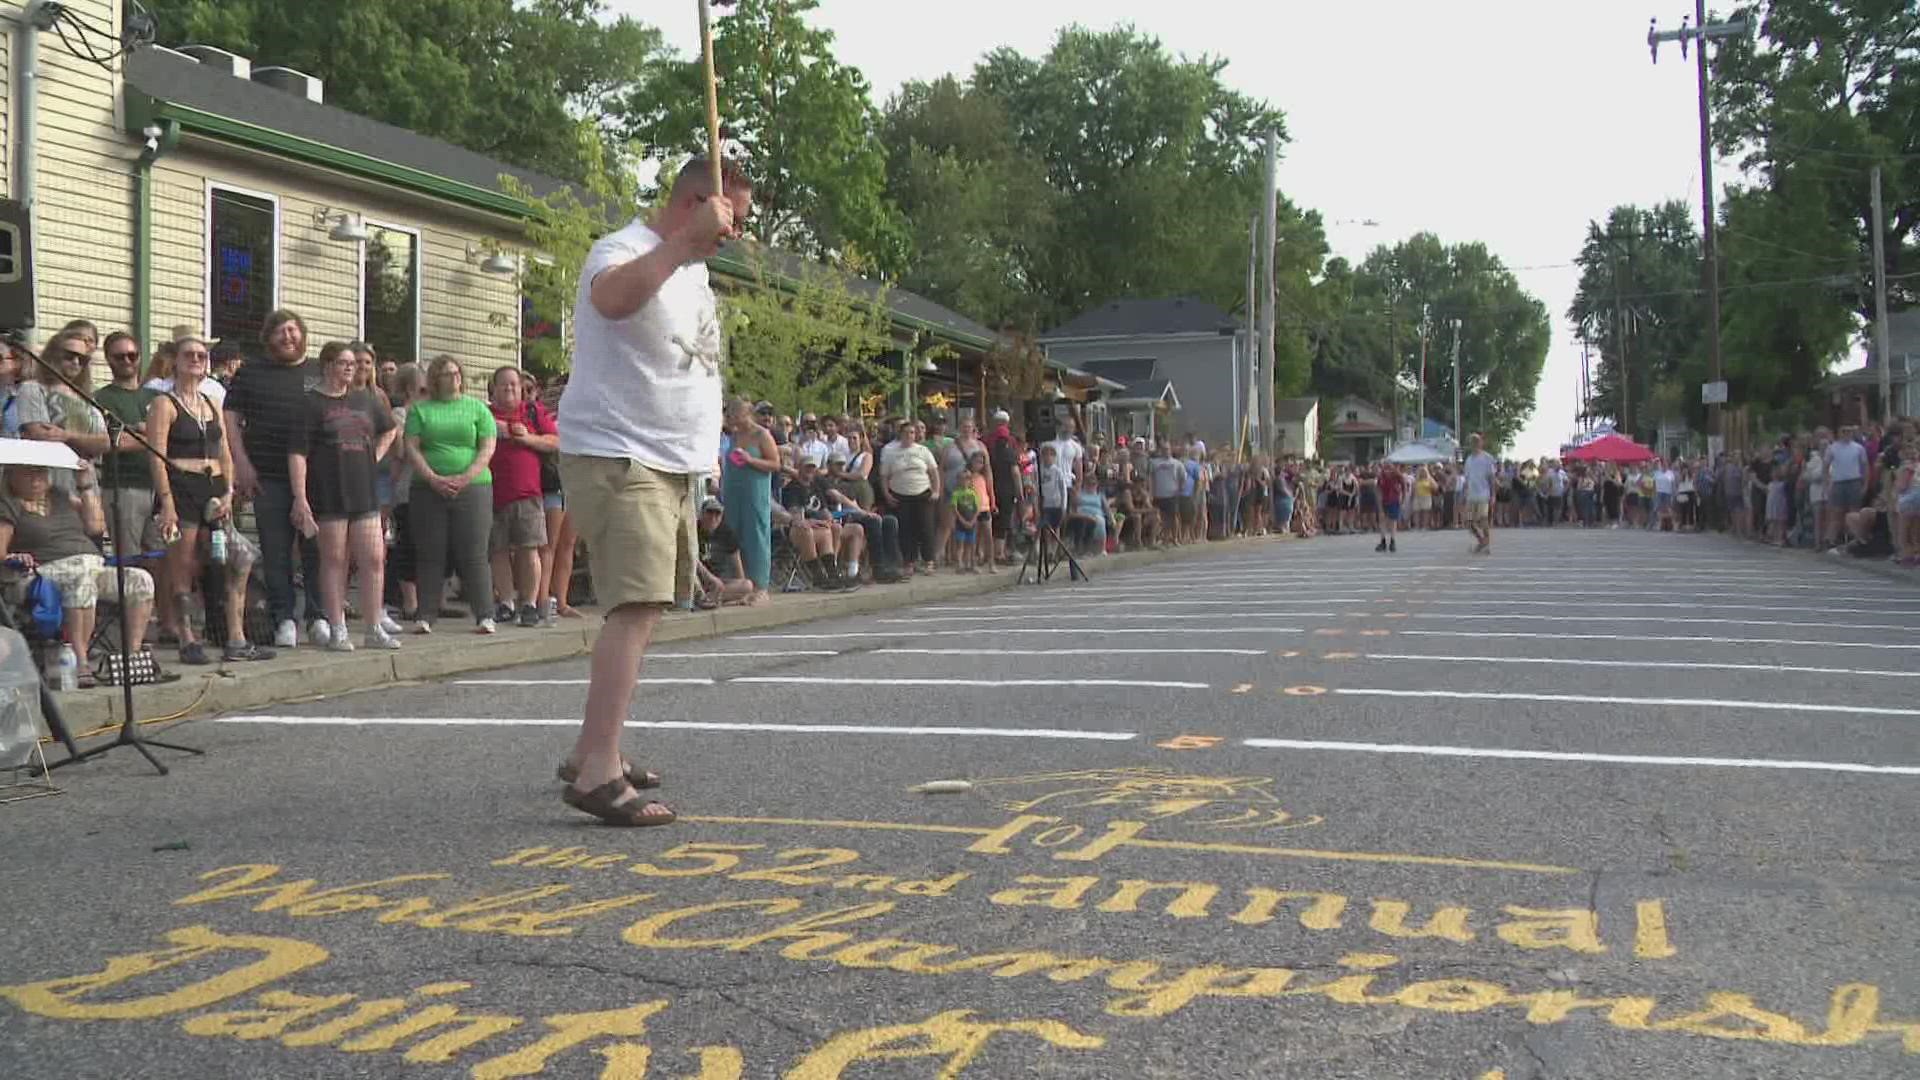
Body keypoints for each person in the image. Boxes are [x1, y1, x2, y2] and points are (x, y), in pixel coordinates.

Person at [555, 155, 748, 827]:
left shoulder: (693, 270)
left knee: (650, 607)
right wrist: (681, 243)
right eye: (731, 218)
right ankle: (598, 776)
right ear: (696, 201)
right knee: (633, 607)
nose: (734, 234)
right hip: (620, 453)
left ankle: (590, 748)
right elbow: (612, 299)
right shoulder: (626, 250)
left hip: (670, 463)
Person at [290, 342, 402, 651]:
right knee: (335, 560)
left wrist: (375, 456)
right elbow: (298, 453)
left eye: (353, 363)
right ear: (327, 366)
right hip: (328, 492)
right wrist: (301, 497)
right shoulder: (311, 404)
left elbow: (389, 429)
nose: (350, 368)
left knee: (375, 558)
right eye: (343, 362)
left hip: (363, 492)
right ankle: (337, 627)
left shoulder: (365, 400)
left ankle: (373, 627)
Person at [0, 460, 154, 682]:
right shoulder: (8, 505)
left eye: (41, 472)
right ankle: (81, 661)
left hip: (91, 565)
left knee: (141, 580)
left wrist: (85, 486)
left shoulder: (60, 496)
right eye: (28, 474)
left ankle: (131, 656)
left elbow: (96, 526)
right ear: (11, 476)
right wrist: (15, 557)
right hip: (43, 572)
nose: (37, 479)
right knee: (82, 579)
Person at [224, 310, 325, 648]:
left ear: (304, 336)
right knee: (276, 551)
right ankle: (284, 618)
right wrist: (241, 464)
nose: (287, 337)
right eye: (280, 331)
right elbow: (231, 418)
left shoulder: (319, 373)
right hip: (267, 477)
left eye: (293, 330)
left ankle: (318, 616)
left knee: (317, 550)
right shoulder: (250, 373)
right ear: (268, 338)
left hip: (318, 480)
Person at [404, 356, 498, 635]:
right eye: (447, 374)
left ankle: (484, 614)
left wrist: (466, 476)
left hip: (474, 486)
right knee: (430, 552)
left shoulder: (477, 408)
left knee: (474, 552)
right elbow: (411, 447)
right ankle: (426, 614)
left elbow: (487, 446)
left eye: (457, 372)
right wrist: (433, 478)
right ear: (435, 378)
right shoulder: (421, 411)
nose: (454, 377)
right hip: (427, 488)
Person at [485, 366, 558, 628]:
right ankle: (506, 602)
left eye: (514, 385)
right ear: (493, 388)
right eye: (503, 385)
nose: (509, 389)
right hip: (491, 493)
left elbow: (554, 441)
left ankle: (528, 603)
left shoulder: (532, 412)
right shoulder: (484, 415)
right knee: (498, 550)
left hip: (527, 494)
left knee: (529, 549)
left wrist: (528, 439)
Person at [720, 396, 777, 605]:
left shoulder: (762, 435)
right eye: (730, 416)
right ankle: (741, 584)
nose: (732, 420)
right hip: (734, 491)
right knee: (735, 533)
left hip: (754, 490)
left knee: (756, 535)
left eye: (735, 416)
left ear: (746, 415)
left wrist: (751, 459)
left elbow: (775, 464)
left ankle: (761, 586)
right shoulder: (734, 436)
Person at [1463, 434, 1496, 555]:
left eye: (1477, 441)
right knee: (1469, 522)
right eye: (1472, 442)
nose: (1475, 444)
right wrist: (1465, 494)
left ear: (1481, 443)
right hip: (1471, 495)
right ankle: (1481, 540)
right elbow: (1467, 479)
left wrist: (1493, 495)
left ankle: (1487, 543)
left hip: (1483, 494)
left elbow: (1492, 478)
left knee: (1483, 519)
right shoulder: (1468, 460)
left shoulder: (1487, 458)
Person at [1375, 462, 1405, 552]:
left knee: (1392, 521)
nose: (1387, 471)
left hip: (1394, 500)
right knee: (1382, 520)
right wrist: (1379, 504)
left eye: (1389, 469)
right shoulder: (1381, 477)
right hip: (1384, 501)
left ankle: (1392, 541)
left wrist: (1402, 500)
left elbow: (1404, 488)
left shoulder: (1397, 476)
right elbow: (1378, 490)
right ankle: (1383, 541)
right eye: (1385, 469)